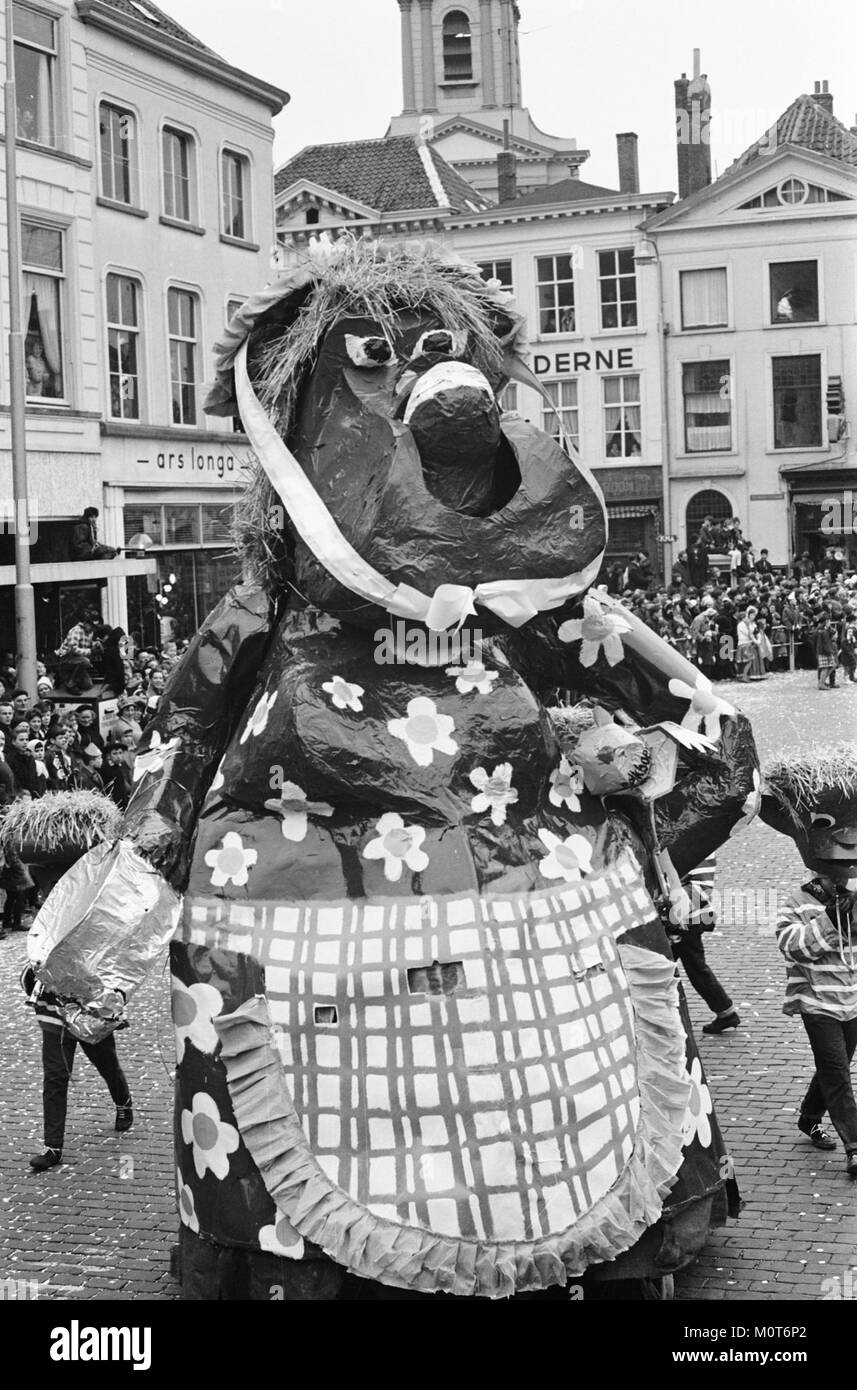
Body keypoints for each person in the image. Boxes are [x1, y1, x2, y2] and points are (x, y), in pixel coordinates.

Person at [762, 750, 857, 1176]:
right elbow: (793, 946)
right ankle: (855, 1146)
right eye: (834, 876)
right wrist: (829, 920)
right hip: (818, 1003)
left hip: (853, 1001)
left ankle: (808, 1117)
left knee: (832, 1070)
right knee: (837, 1073)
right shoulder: (799, 901)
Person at [22, 972, 133, 1171]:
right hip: (54, 1015)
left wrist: (115, 1006)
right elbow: (28, 975)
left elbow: (115, 970)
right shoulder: (44, 940)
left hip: (90, 1014)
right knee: (55, 1077)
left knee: (107, 1065)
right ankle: (53, 1146)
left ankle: (123, 1101)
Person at [668, 855, 740, 1033]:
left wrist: (668, 899)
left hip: (686, 921)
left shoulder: (699, 850)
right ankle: (726, 1012)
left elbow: (701, 888)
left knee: (675, 968)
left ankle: (726, 1012)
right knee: (691, 967)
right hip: (680, 920)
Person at [815, 617, 839, 690]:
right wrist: (829, 651)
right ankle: (821, 684)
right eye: (828, 622)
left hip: (823, 650)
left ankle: (822, 682)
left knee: (831, 666)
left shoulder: (822, 630)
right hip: (825, 651)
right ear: (825, 622)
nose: (830, 623)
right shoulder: (823, 631)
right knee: (826, 667)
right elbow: (826, 643)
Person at [101, 628, 127, 695]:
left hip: (109, 680)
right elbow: (119, 670)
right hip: (115, 684)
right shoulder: (115, 652)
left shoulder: (107, 649)